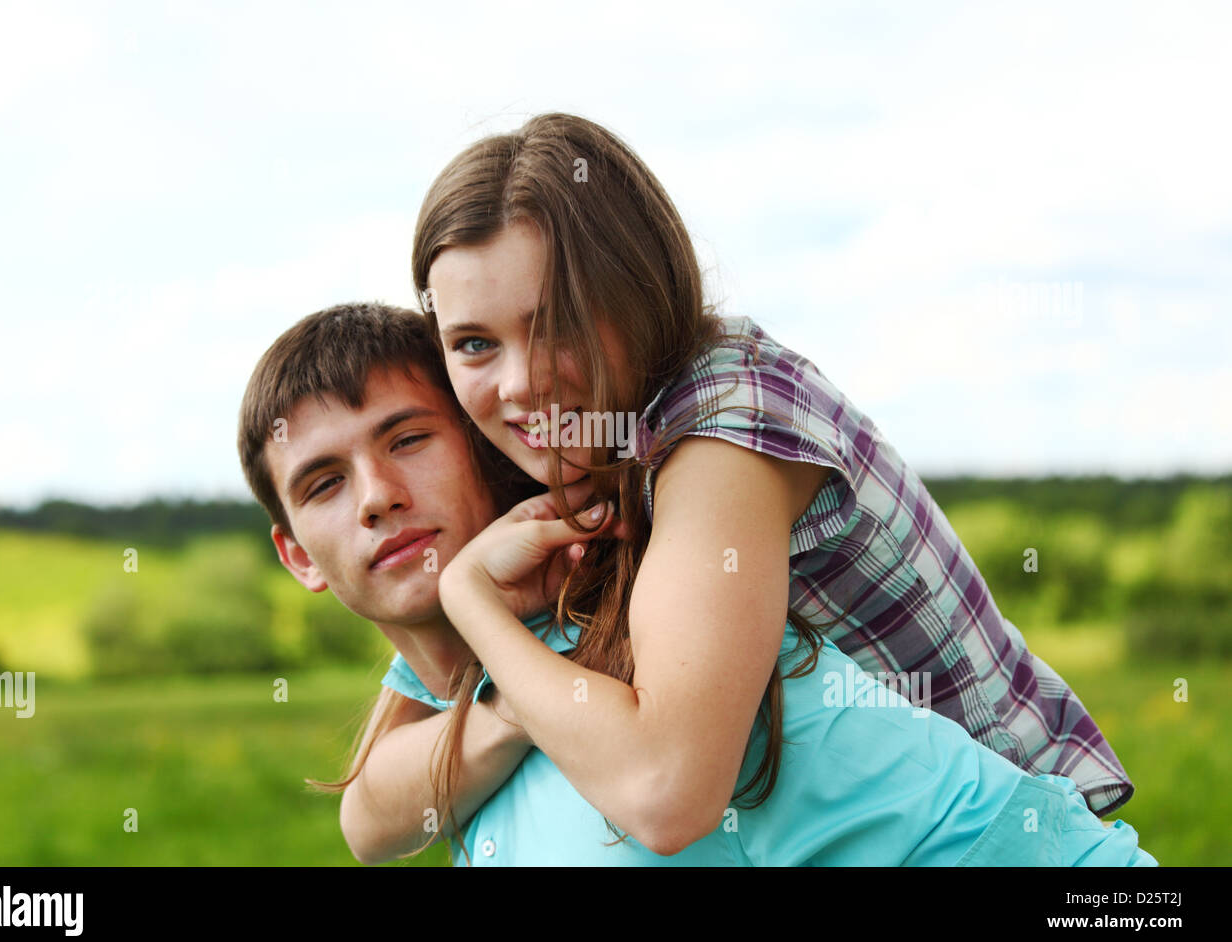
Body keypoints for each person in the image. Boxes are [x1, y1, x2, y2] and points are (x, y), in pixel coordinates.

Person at [394, 111, 1135, 855]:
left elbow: (667, 790)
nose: (522, 382)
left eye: (560, 322)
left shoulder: (726, 431)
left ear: (639, 291)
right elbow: (366, 820)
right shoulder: (601, 444)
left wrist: (471, 603)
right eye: (475, 344)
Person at [238, 301, 1155, 866]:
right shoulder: (482, 677)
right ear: (297, 556)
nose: (377, 498)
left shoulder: (649, 592)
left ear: (488, 443)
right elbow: (367, 816)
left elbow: (664, 794)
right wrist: (505, 689)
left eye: (408, 439)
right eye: (324, 482)